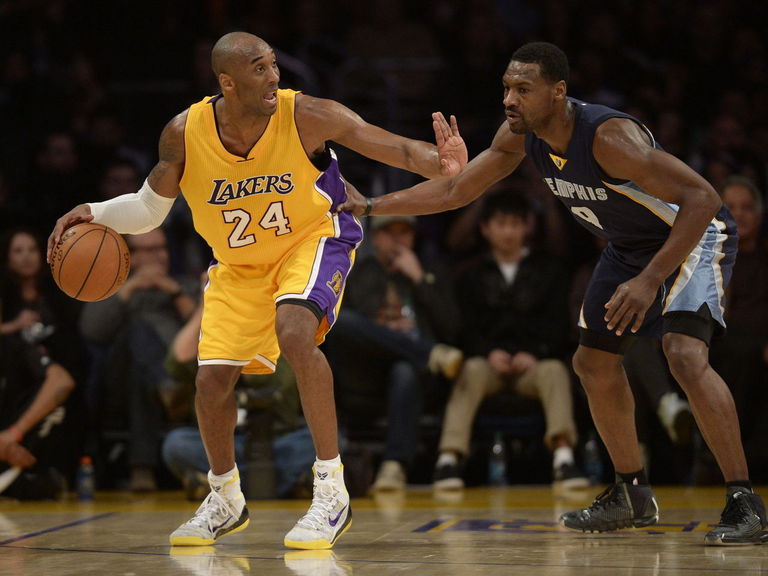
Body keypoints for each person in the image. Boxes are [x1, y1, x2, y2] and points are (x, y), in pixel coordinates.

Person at [47, 31, 467, 550]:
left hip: (314, 239)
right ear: (227, 82)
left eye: (273, 64)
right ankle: (225, 497)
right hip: (239, 264)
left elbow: (391, 145)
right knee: (211, 381)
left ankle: (331, 490)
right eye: (260, 68)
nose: (274, 76)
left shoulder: (307, 115)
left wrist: (441, 161)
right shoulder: (184, 132)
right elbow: (149, 208)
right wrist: (95, 212)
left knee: (295, 332)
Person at [339, 41, 767, 546]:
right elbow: (456, 191)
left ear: (558, 92)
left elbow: (704, 198)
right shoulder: (519, 137)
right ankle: (632, 492)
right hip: (630, 245)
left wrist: (650, 279)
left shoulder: (609, 139)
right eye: (506, 87)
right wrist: (371, 205)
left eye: (523, 89)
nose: (509, 99)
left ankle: (744, 500)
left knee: (684, 355)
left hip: (693, 234)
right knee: (592, 363)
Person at [432, 190, 587, 491]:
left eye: (515, 224)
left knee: (555, 371)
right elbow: (463, 328)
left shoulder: (549, 271)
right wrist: (488, 352)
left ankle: (564, 458)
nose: (508, 232)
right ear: (485, 228)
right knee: (469, 369)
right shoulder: (471, 275)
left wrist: (535, 352)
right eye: (501, 224)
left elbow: (558, 326)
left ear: (527, 227)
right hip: (489, 365)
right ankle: (448, 459)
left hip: (533, 365)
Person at [324, 214, 461, 492]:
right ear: (375, 238)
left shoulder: (430, 271)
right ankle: (429, 353)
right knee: (342, 321)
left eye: (405, 233)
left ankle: (394, 466)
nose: (398, 240)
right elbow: (343, 329)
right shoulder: (356, 273)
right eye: (390, 232)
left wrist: (420, 279)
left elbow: (454, 328)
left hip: (416, 376)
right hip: (367, 369)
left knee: (404, 370)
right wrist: (384, 330)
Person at [79, 227, 198, 492]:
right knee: (138, 333)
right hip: (120, 386)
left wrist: (175, 293)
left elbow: (208, 329)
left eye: (162, 248)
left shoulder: (186, 286)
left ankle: (141, 467)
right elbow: (91, 330)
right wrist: (130, 287)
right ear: (130, 256)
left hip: (184, 379)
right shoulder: (112, 289)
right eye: (150, 250)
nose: (160, 255)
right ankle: (166, 388)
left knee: (143, 374)